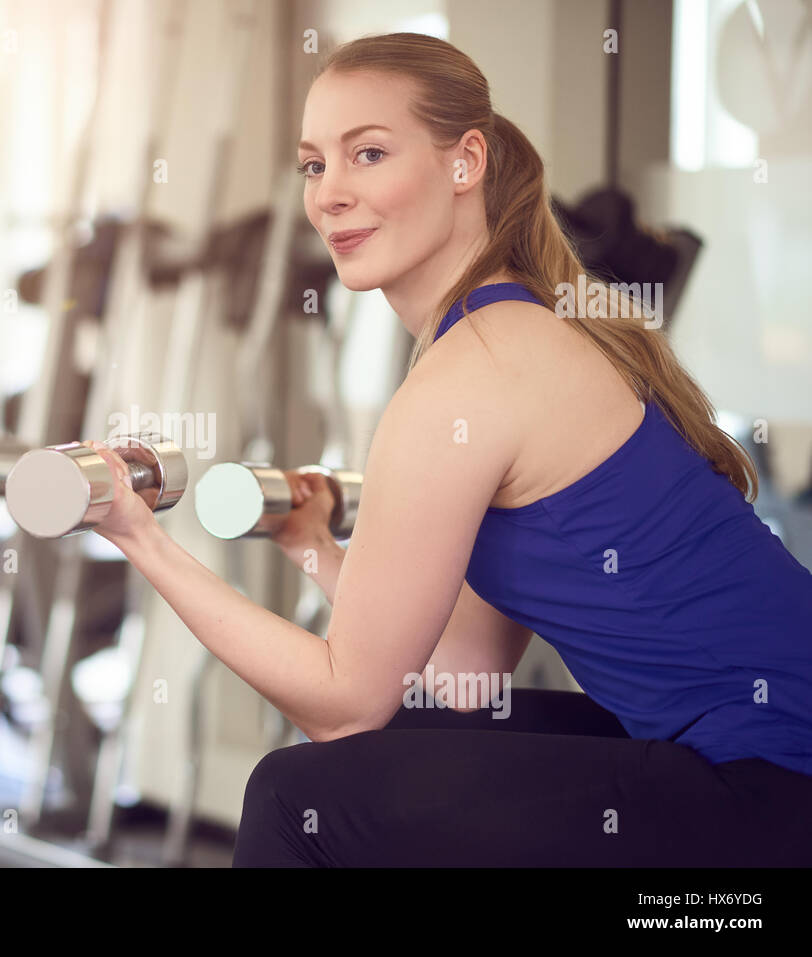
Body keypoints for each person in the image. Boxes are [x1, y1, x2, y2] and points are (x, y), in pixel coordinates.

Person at [80, 33, 812, 866]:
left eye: (369, 154)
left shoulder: (467, 379)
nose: (331, 196)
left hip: (767, 789)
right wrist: (315, 546)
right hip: (761, 771)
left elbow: (342, 703)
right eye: (315, 165)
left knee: (294, 796)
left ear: (466, 162)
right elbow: (464, 672)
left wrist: (141, 536)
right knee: (409, 734)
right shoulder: (513, 332)